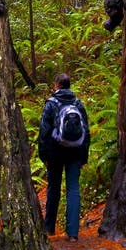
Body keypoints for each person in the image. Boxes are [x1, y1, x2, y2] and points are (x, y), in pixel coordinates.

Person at [38, 72, 90, 241]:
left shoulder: (51, 104)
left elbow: (44, 132)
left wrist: (43, 155)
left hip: (55, 153)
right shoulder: (78, 104)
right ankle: (73, 233)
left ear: (57, 86)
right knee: (73, 189)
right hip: (75, 153)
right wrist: (84, 156)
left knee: (53, 188)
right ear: (69, 86)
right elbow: (86, 132)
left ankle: (49, 228)